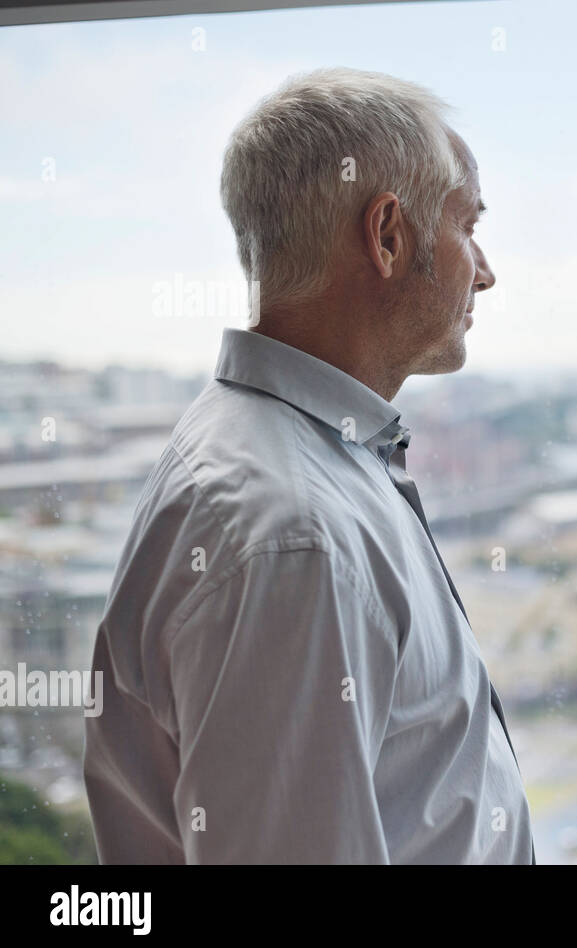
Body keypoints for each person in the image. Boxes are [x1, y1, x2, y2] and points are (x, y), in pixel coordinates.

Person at [82, 67, 535, 864]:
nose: (486, 270)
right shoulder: (293, 537)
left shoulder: (302, 460)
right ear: (388, 235)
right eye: (470, 227)